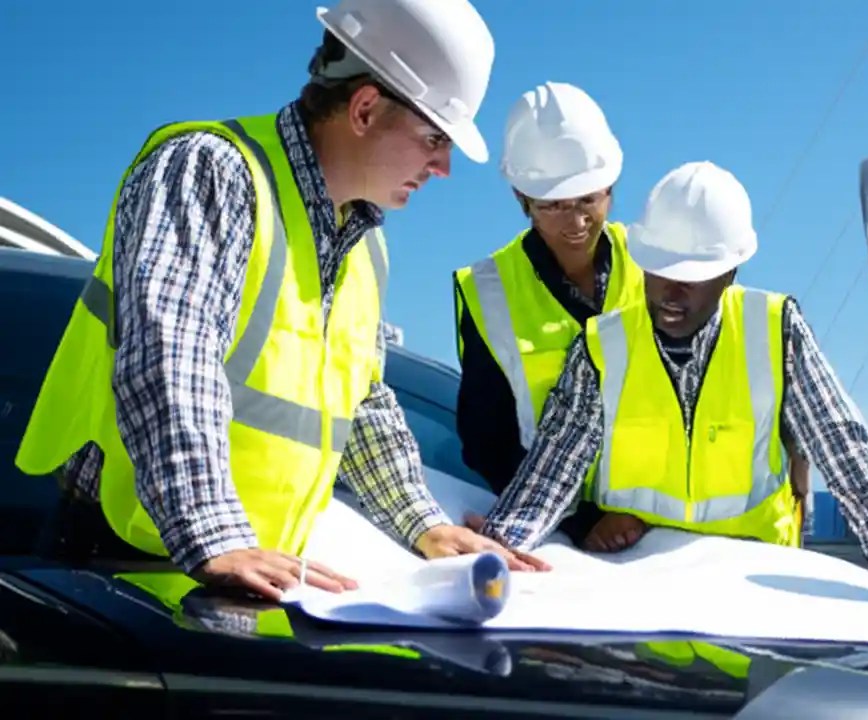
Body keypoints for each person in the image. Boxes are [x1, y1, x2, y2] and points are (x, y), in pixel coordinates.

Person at [16, 0, 548, 604]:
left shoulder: (365, 249)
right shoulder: (213, 171)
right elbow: (171, 352)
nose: (443, 166)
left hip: (250, 572)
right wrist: (214, 531)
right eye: (434, 137)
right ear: (365, 108)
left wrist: (424, 524)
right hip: (121, 570)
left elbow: (363, 405)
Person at [478, 160, 868, 584]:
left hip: (751, 579)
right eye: (660, 272)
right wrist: (501, 542)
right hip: (634, 579)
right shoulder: (601, 347)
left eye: (692, 277)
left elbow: (837, 438)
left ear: (729, 273)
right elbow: (555, 463)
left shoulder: (775, 329)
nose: (672, 292)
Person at [452, 82, 650, 550]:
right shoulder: (488, 292)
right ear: (524, 200)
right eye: (555, 206)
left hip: (663, 526)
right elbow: (487, 441)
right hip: (560, 538)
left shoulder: (654, 260)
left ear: (610, 188)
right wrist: (581, 522)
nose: (576, 221)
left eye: (588, 199)